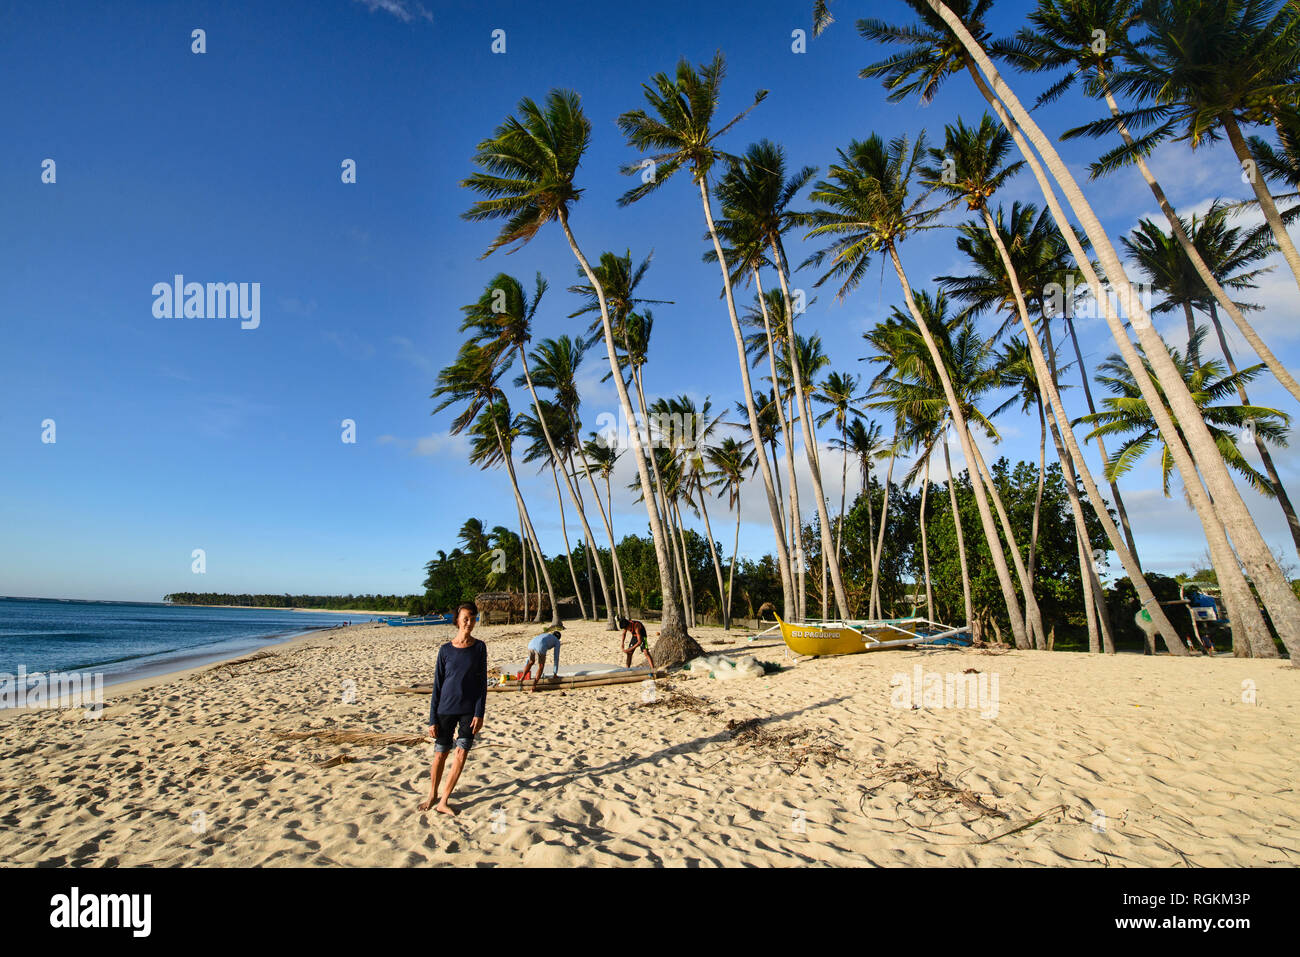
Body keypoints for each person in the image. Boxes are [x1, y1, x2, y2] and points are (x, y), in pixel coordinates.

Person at [419, 601, 486, 816]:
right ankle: (432, 794)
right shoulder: (445, 650)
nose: (469, 622)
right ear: (457, 620)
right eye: (466, 618)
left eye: (473, 618)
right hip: (445, 709)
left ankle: (444, 800)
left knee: (461, 753)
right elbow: (437, 685)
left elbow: (482, 683)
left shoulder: (479, 647)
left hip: (469, 710)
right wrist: (432, 719)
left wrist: (479, 713)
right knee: (440, 754)